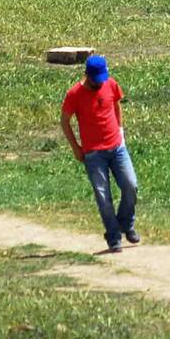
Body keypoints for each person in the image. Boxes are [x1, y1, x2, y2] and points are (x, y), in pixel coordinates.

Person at [61, 54, 139, 253]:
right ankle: (113, 237)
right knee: (103, 195)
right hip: (94, 153)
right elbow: (65, 121)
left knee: (130, 185)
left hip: (117, 146)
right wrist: (76, 148)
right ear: (86, 75)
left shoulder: (110, 84)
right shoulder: (74, 95)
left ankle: (126, 224)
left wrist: (120, 131)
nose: (99, 83)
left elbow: (116, 104)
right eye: (96, 80)